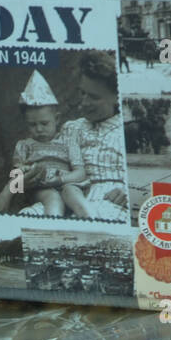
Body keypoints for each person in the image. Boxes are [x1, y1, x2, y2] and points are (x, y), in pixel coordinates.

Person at [58, 51, 129, 221]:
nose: (85, 103)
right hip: (72, 199)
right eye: (83, 93)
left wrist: (128, 191)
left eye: (94, 97)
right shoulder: (72, 128)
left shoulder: (125, 130)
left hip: (112, 201)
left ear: (116, 97)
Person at [12, 70, 91, 219]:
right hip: (41, 189)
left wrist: (61, 180)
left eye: (44, 123)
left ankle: (91, 221)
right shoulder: (24, 145)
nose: (39, 129)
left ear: (57, 119)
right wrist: (25, 170)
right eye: (32, 125)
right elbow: (16, 175)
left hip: (67, 183)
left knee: (73, 193)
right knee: (52, 197)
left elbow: (81, 173)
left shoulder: (68, 142)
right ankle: (54, 226)